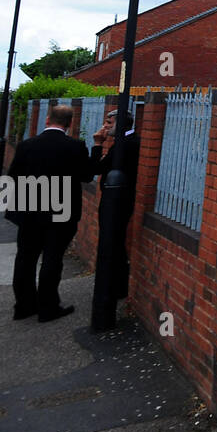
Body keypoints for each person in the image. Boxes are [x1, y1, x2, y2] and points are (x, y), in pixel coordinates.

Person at [10, 103, 96, 322]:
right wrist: (97, 147)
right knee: (52, 258)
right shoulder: (76, 147)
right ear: (69, 124)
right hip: (61, 211)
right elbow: (87, 176)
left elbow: (13, 177)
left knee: (25, 258)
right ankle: (48, 308)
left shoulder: (26, 145)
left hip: (30, 210)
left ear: (47, 120)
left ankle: (24, 306)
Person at [90, 106, 139, 330]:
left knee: (113, 243)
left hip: (117, 202)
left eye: (109, 124)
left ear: (119, 125)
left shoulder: (125, 145)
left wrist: (97, 144)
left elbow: (96, 168)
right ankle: (118, 285)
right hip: (119, 201)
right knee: (116, 244)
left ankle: (115, 287)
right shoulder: (129, 142)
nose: (105, 127)